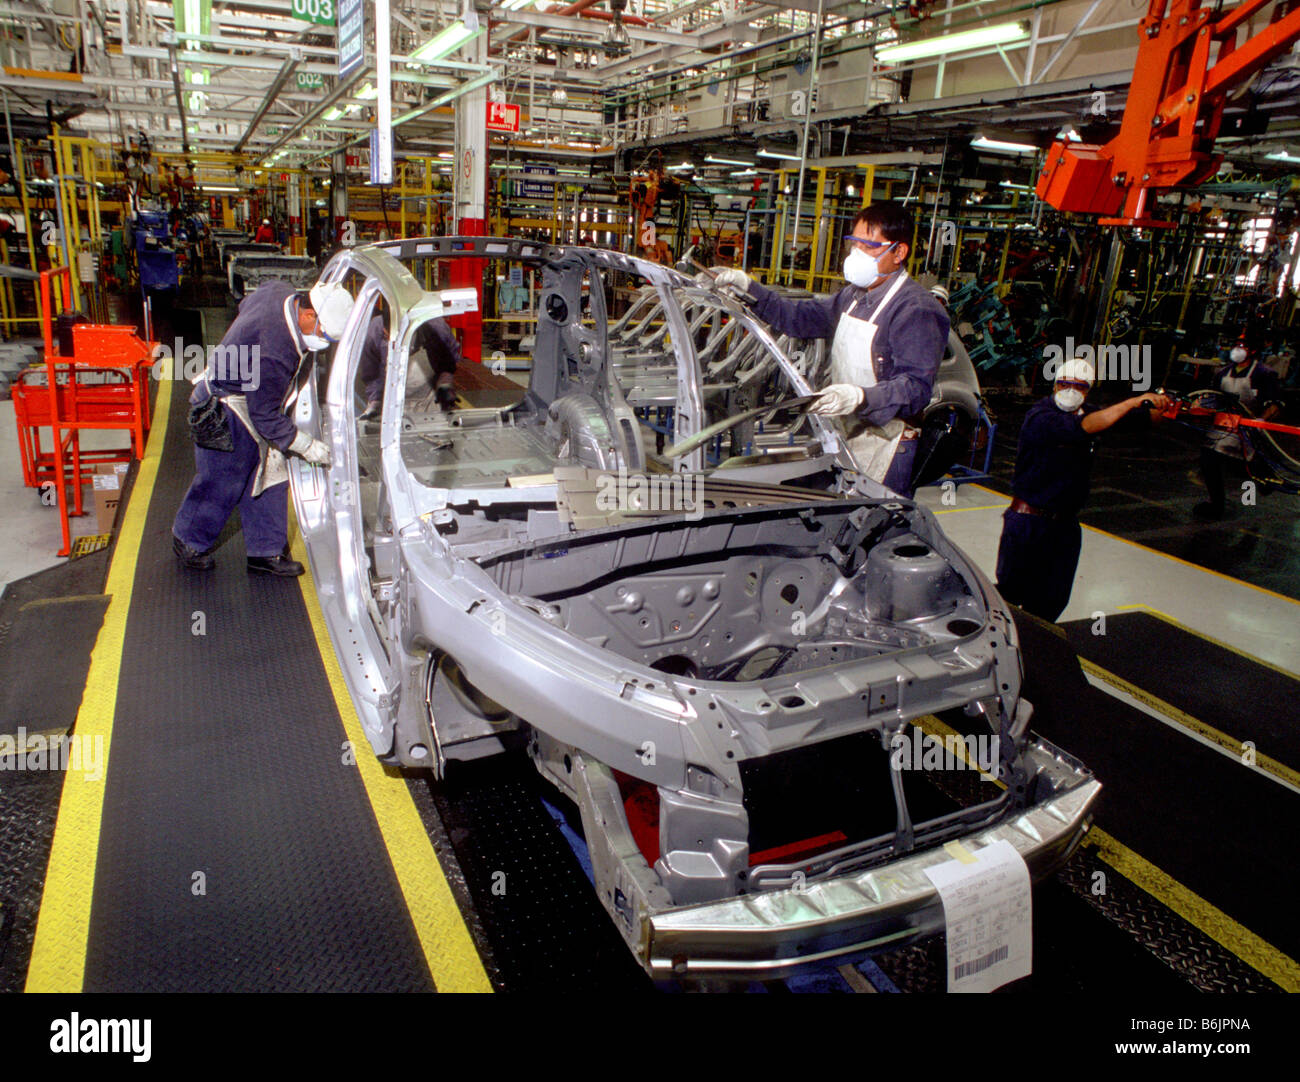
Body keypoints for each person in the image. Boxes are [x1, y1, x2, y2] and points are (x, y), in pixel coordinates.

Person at [703, 202, 949, 497]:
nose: (856, 253)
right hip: (848, 430)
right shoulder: (853, 297)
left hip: (888, 443)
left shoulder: (916, 310)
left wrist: (859, 396)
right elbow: (798, 319)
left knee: (875, 525)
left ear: (899, 253)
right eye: (853, 243)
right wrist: (750, 289)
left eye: (868, 245)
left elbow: (915, 389)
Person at [172, 279, 355, 575]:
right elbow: (265, 417)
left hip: (251, 393)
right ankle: (188, 539)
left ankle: (265, 551)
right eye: (325, 335)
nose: (325, 343)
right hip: (227, 404)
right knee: (224, 479)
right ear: (309, 314)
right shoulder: (274, 352)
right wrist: (306, 446)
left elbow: (245, 306)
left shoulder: (278, 291)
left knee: (271, 472)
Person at [995, 358, 1170, 621]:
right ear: (1054, 386)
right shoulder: (1041, 417)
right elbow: (1087, 426)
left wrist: (1167, 405)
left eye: (1079, 386)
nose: (1070, 391)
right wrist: (1132, 401)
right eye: (1064, 384)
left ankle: (1035, 653)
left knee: (1051, 601)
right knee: (1010, 596)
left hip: (1064, 528)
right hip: (1028, 523)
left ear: (1088, 390)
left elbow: (1144, 419)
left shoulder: (1088, 411)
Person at [1193, 345, 1284, 520]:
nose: (1238, 350)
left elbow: (1275, 404)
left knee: (1239, 465)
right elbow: (1213, 397)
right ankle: (1216, 506)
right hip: (1223, 424)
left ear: (1253, 350)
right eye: (1236, 345)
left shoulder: (1264, 374)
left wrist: (1261, 420)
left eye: (1243, 346)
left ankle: (1263, 475)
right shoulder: (1222, 373)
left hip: (1248, 428)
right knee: (1208, 460)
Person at [356, 303, 461, 419]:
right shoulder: (374, 331)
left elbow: (449, 360)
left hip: (429, 400)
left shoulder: (436, 328)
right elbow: (371, 374)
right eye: (389, 337)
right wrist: (375, 402)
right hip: (390, 401)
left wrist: (445, 383)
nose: (396, 344)